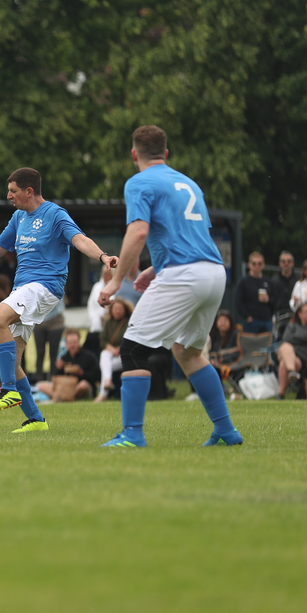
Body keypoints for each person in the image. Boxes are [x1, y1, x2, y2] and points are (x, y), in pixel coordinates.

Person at [96, 125, 242, 447]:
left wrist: (117, 282)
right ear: (167, 153)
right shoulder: (188, 183)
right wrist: (152, 268)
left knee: (133, 349)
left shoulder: (139, 182)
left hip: (184, 275)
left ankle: (132, 435)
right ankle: (226, 430)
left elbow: (138, 232)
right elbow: (191, 236)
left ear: (134, 154)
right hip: (214, 272)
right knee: (187, 352)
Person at [0, 167, 114, 434]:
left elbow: (79, 240)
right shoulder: (19, 217)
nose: (9, 196)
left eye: (13, 191)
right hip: (25, 289)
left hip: (44, 286)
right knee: (13, 361)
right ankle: (36, 419)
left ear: (29, 191)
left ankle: (7, 390)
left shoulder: (54, 214)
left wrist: (102, 257)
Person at [37, 329, 100, 400]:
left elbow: (97, 376)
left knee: (83, 385)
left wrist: (82, 373)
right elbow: (56, 379)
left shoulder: (89, 356)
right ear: (66, 344)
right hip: (66, 387)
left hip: (81, 387)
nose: (72, 345)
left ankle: (62, 397)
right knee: (41, 385)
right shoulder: (64, 358)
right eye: (70, 342)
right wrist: (59, 368)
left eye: (74, 342)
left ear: (79, 342)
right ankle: (63, 396)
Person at [93, 298, 134, 403]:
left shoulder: (129, 323)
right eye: (116, 308)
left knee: (106, 365)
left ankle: (103, 393)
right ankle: (107, 382)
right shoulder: (108, 323)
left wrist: (119, 349)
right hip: (111, 354)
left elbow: (130, 340)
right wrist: (111, 349)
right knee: (104, 354)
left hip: (124, 356)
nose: (118, 311)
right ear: (111, 310)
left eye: (120, 308)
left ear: (125, 310)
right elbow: (103, 339)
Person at [235, 251, 275, 334]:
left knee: (268, 345)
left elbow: (275, 299)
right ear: (249, 264)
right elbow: (238, 301)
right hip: (251, 322)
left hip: (266, 321)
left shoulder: (268, 281)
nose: (257, 266)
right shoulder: (243, 281)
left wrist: (268, 300)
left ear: (263, 265)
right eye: (254, 263)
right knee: (251, 346)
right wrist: (247, 317)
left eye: (259, 263)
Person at [85, 268, 113, 354]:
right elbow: (91, 305)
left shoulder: (115, 287)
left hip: (109, 328)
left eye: (106, 274)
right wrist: (94, 318)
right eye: (103, 273)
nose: (104, 276)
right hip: (96, 325)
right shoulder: (96, 287)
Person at [208, 310, 242, 377]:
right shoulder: (213, 335)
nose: (223, 323)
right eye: (220, 321)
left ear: (230, 322)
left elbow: (239, 352)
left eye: (225, 320)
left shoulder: (236, 334)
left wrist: (223, 359)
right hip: (216, 365)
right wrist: (212, 359)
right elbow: (209, 352)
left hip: (233, 365)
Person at [271, 251, 299, 327]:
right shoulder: (274, 280)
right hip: (278, 316)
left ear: (293, 263)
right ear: (279, 263)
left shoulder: (299, 280)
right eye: (283, 261)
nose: (286, 263)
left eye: (288, 261)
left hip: (295, 316)